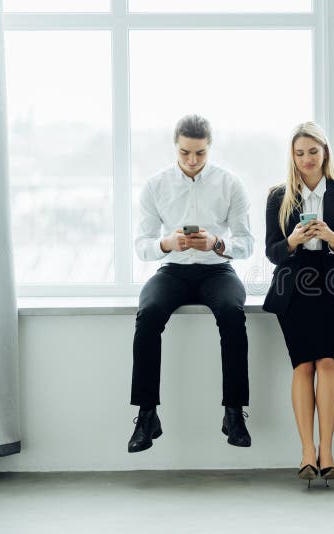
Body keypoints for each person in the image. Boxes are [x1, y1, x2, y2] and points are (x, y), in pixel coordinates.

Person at [129, 114, 254, 453]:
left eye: (200, 153)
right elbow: (141, 245)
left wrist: (216, 242)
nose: (193, 160)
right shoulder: (155, 186)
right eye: (185, 152)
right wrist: (167, 243)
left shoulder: (230, 184)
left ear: (209, 147)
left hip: (217, 270)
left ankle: (234, 413)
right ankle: (146, 415)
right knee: (148, 314)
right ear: (175, 147)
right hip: (172, 269)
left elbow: (246, 243)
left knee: (232, 314)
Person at [263, 122, 334, 486]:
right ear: (292, 155)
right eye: (300, 153)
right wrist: (292, 241)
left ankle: (328, 452)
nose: (306, 159)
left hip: (331, 285)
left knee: (328, 362)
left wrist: (330, 236)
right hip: (294, 287)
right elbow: (272, 252)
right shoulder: (278, 196)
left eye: (313, 152)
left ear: (325, 153)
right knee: (303, 365)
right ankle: (307, 452)